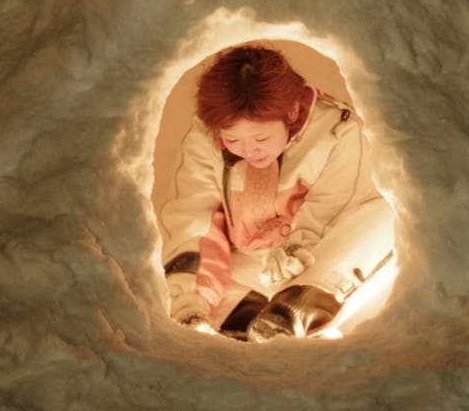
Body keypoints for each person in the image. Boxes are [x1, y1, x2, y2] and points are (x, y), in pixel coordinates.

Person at [159, 44, 395, 341]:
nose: (248, 150)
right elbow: (195, 216)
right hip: (247, 266)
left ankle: (293, 312)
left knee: (383, 219)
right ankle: (243, 323)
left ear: (292, 111)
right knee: (197, 297)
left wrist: (293, 258)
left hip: (314, 263)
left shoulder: (337, 132)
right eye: (232, 139)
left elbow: (328, 212)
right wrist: (191, 304)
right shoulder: (208, 136)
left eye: (261, 137)